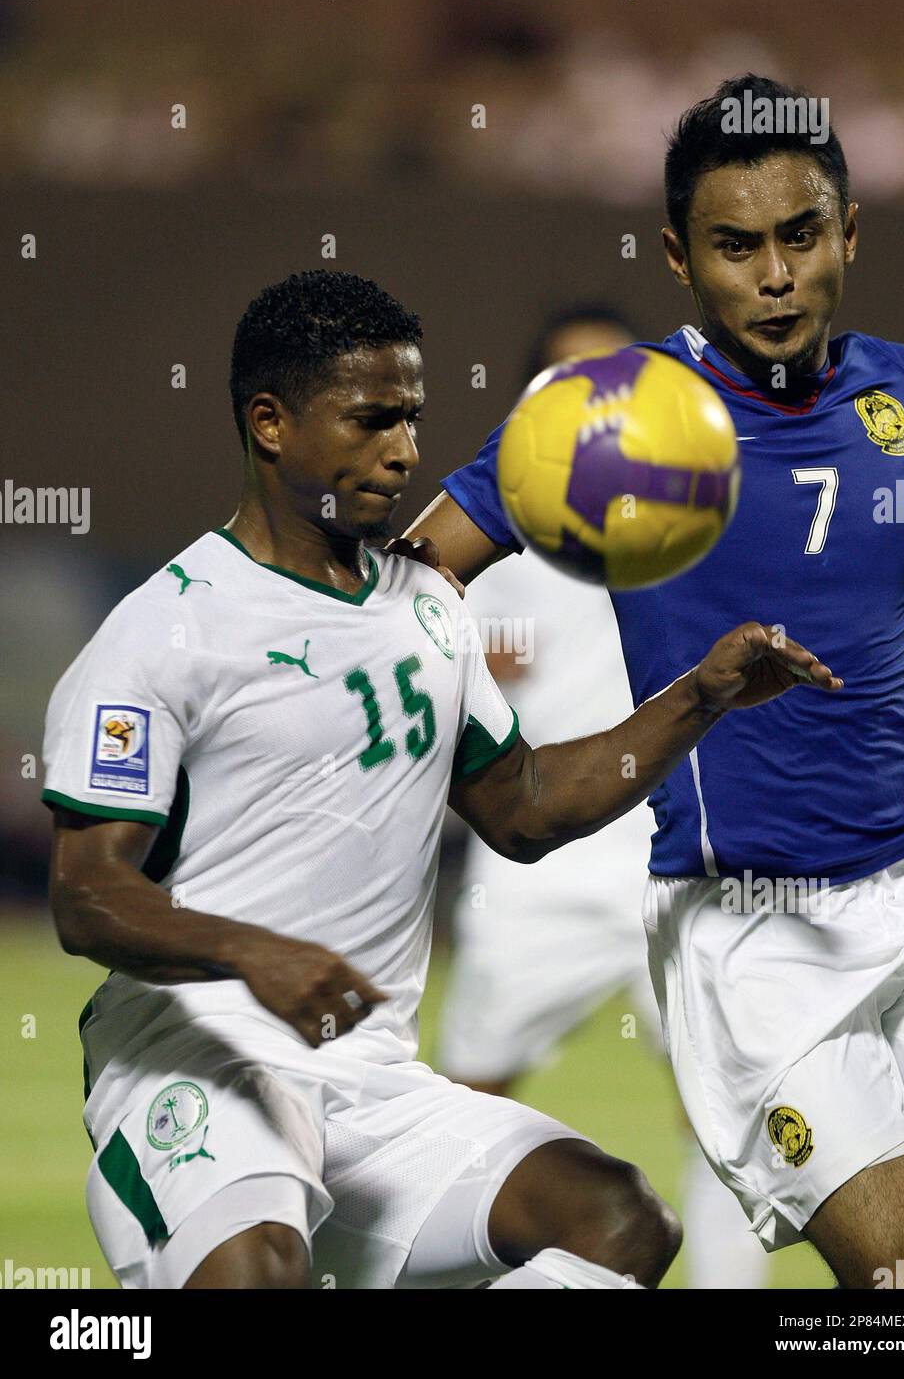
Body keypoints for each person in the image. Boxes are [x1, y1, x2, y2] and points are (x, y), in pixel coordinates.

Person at [41, 268, 837, 1290]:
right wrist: (254, 954)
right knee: (253, 1272)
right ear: (271, 422)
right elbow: (85, 893)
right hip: (198, 1056)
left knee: (618, 1221)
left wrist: (699, 698)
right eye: (371, 421)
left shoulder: (426, 607)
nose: (405, 452)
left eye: (413, 419)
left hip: (369, 1082)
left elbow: (525, 807)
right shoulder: (167, 628)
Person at [402, 74, 904, 1288]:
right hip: (753, 939)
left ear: (849, 236)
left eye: (801, 238)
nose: (774, 276)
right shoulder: (612, 416)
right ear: (676, 255)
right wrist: (487, 767)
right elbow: (407, 584)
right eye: (735, 245)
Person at [436, 305, 770, 1288]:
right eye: (566, 381)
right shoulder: (489, 531)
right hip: (535, 872)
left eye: (615, 378)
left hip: (684, 863)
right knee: (460, 1114)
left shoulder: (709, 509)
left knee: (727, 1118)